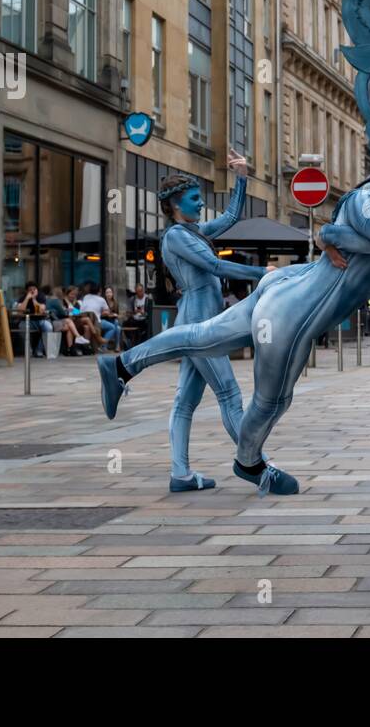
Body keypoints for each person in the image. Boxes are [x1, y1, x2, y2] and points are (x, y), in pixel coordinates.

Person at [99, 144, 370, 498]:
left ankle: (123, 366)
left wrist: (328, 233)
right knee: (264, 397)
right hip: (294, 311)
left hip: (292, 290)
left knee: (207, 346)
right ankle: (248, 462)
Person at [100, 152, 272, 493]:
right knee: (228, 393)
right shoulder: (176, 237)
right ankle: (258, 466)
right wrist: (261, 274)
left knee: (185, 401)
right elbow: (216, 267)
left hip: (201, 315)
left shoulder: (193, 231)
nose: (200, 206)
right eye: (195, 200)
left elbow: (230, 216)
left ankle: (180, 474)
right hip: (198, 318)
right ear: (177, 205)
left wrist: (241, 177)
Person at [14, 281, 52, 357]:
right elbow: (20, 311)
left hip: (40, 320)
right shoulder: (23, 298)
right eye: (30, 290)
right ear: (26, 291)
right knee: (22, 327)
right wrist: (27, 299)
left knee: (48, 327)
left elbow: (41, 310)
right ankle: (29, 349)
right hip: (27, 321)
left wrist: (34, 299)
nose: (32, 291)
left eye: (34, 289)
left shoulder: (41, 296)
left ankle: (39, 350)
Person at [79, 283, 120, 350]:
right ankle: (103, 344)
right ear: (99, 291)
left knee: (116, 325)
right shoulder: (101, 299)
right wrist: (101, 312)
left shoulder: (86, 297)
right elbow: (107, 312)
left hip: (83, 319)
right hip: (96, 321)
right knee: (112, 327)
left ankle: (107, 345)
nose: (109, 294)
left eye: (110, 292)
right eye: (107, 292)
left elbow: (82, 310)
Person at [42, 286, 79, 354]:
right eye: (72, 294)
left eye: (75, 294)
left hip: (52, 321)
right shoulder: (55, 300)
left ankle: (70, 348)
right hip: (52, 322)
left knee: (69, 327)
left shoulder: (48, 299)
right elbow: (63, 312)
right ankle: (77, 339)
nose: (73, 296)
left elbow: (77, 311)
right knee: (69, 321)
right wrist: (68, 307)